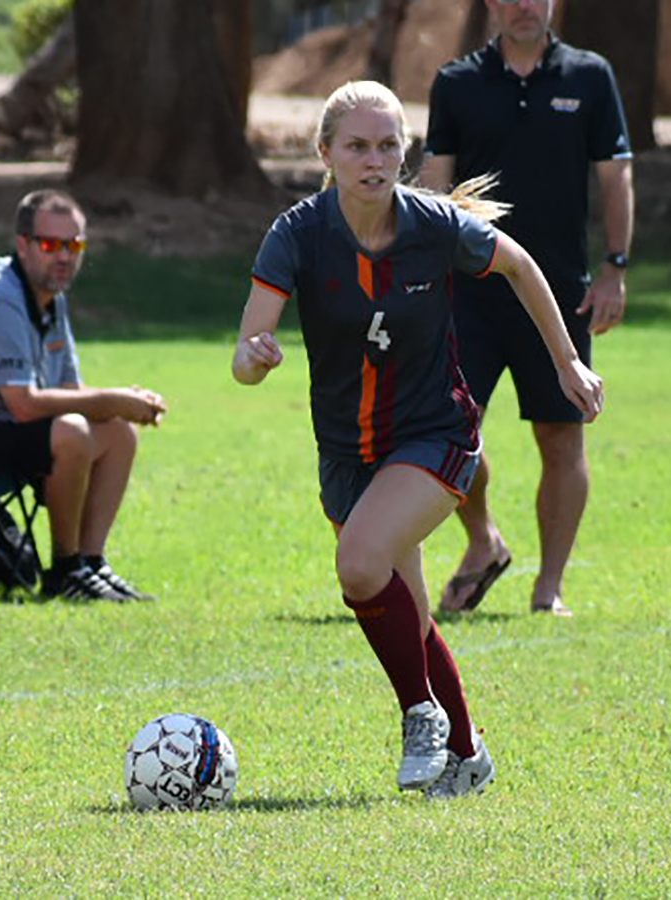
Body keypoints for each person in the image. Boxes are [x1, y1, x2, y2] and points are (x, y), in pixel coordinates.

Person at [233, 81, 603, 797]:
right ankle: (468, 753)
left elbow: (521, 266)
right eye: (357, 146)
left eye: (387, 145)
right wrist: (255, 358)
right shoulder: (298, 233)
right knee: (407, 610)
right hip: (347, 449)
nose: (373, 160)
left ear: (405, 152)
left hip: (435, 432)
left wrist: (567, 362)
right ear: (327, 154)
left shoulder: (434, 225)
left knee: (359, 562)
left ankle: (418, 713)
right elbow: (248, 347)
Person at [421, 0, 634, 617]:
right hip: (471, 292)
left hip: (560, 292)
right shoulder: (457, 82)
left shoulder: (589, 76)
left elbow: (616, 175)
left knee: (561, 437)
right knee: (449, 431)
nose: (521, 6)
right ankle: (484, 539)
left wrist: (615, 267)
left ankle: (551, 589)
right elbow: (437, 182)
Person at [0, 189, 164, 602]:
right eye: (50, 245)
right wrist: (110, 399)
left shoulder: (50, 300)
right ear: (23, 246)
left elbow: (68, 391)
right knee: (72, 431)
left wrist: (123, 401)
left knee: (118, 432)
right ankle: (66, 570)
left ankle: (92, 564)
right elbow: (24, 405)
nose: (63, 257)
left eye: (73, 245)